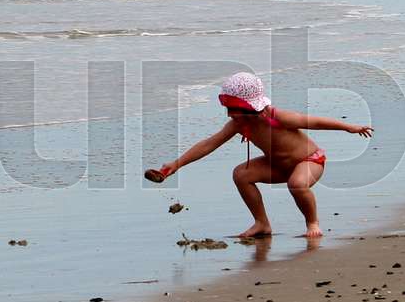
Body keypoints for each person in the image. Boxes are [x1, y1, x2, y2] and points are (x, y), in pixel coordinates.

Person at [146, 72, 372, 238]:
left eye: (238, 111)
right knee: (241, 174)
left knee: (297, 183)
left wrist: (348, 127)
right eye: (229, 111)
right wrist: (175, 165)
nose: (233, 116)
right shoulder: (238, 124)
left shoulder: (278, 117)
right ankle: (262, 223)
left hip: (309, 160)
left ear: (253, 108)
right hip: (277, 165)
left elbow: (314, 121)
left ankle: (312, 223)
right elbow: (208, 144)